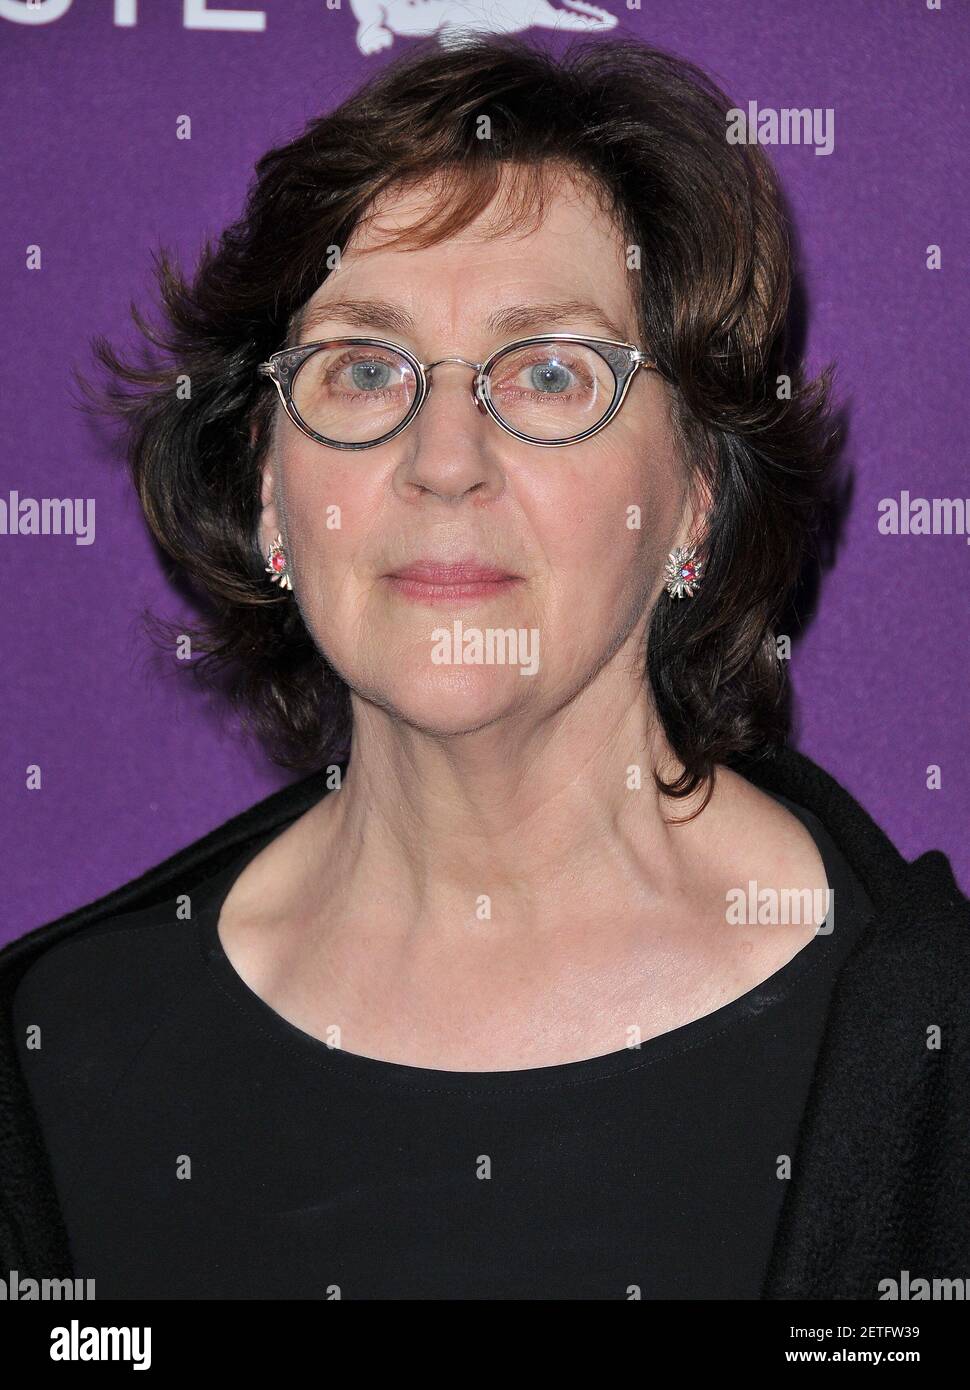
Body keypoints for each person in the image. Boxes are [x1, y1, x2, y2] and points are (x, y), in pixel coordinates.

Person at [2, 34, 968, 1302]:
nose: (442, 457)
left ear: (692, 497)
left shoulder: (926, 1055)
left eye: (551, 370)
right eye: (360, 367)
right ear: (270, 498)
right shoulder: (56, 1062)